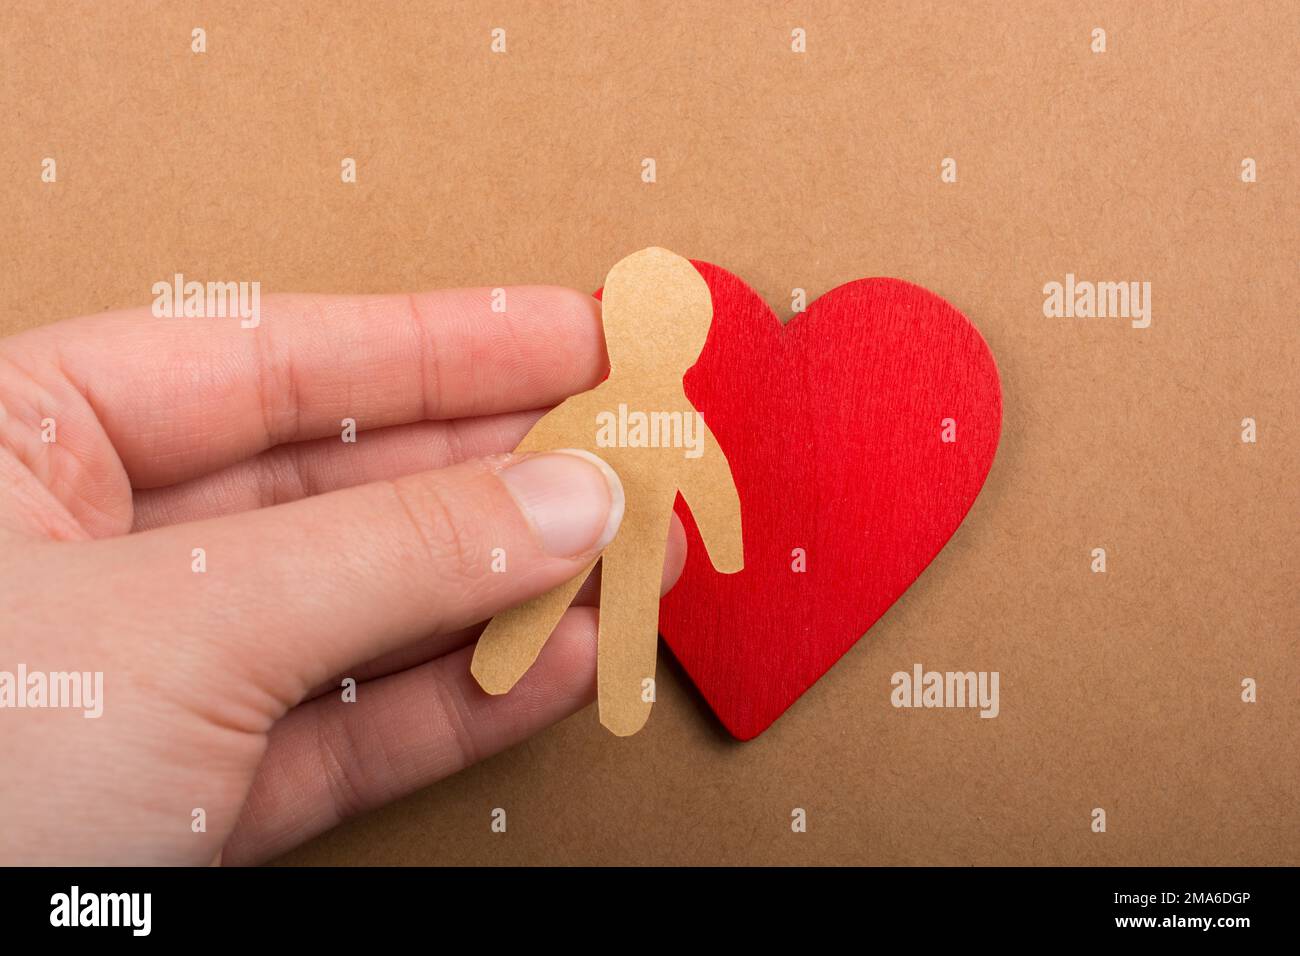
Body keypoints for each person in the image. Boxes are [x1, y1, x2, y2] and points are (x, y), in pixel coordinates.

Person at [0, 286, 686, 865]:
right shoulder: (632, 413)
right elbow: (623, 460)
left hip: (619, 536)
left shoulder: (664, 416)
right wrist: (514, 510)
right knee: (556, 610)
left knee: (599, 614)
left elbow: (704, 478)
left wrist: (726, 536)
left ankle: (537, 671)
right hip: (581, 544)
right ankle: (511, 667)